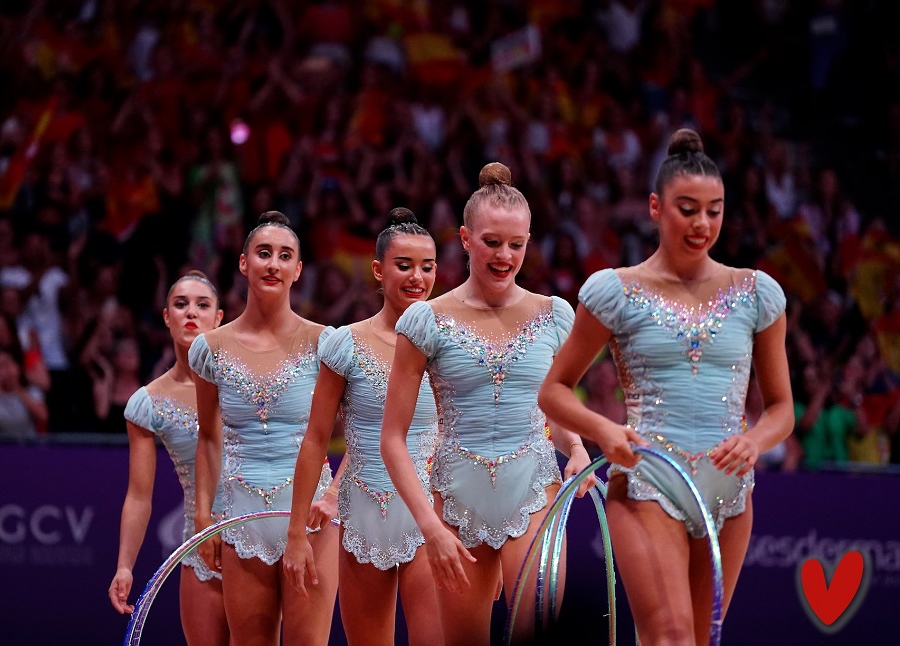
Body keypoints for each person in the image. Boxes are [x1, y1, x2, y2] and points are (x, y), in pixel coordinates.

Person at [539, 128, 794, 644]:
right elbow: (554, 392)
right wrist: (604, 432)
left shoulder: (756, 294)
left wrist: (755, 441)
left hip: (729, 491)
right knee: (670, 636)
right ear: (655, 207)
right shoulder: (616, 292)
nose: (702, 224)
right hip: (647, 482)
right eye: (687, 208)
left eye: (714, 210)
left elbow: (782, 408)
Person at [381, 163, 594, 645]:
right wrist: (430, 528)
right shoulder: (425, 320)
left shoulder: (553, 314)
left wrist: (577, 449)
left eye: (516, 245)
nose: (505, 255)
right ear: (465, 238)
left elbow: (556, 407)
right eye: (492, 242)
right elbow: (392, 438)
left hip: (532, 489)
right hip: (456, 502)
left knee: (535, 636)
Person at [284, 207, 441, 645]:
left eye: (427, 267)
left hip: (433, 514)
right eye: (404, 265)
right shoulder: (346, 343)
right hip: (366, 515)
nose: (416, 277)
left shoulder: (449, 341)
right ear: (378, 269)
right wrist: (297, 532)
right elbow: (316, 439)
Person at [190, 211, 338, 646]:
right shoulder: (209, 349)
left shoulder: (325, 342)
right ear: (243, 263)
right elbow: (209, 436)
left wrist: (332, 496)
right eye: (263, 253)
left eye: (284, 256)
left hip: (309, 519)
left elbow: (369, 430)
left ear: (298, 270)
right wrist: (204, 516)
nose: (273, 263)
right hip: (241, 515)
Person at [108, 270, 229, 645]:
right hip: (200, 546)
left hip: (259, 537)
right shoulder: (148, 403)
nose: (190, 312)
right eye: (180, 304)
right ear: (166, 317)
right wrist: (124, 566)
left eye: (202, 305)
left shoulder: (245, 378)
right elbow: (139, 495)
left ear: (219, 318)